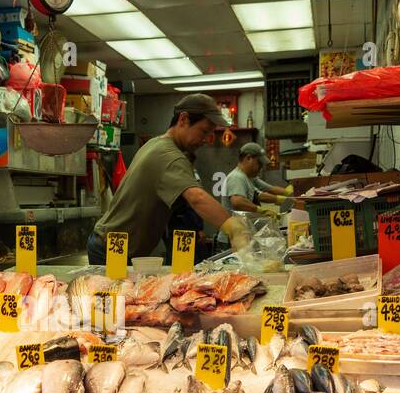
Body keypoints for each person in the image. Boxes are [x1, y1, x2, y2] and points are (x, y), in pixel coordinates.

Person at [88, 93, 250, 265]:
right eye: (203, 131)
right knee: (114, 292)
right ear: (184, 119)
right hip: (113, 247)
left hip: (115, 243)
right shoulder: (169, 155)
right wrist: (233, 227)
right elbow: (197, 198)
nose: (206, 140)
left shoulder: (156, 144)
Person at [224, 142, 294, 217]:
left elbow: (259, 194)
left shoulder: (247, 177)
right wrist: (261, 211)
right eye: (259, 163)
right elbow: (237, 201)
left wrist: (284, 197)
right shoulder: (237, 177)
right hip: (235, 227)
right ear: (248, 158)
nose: (261, 168)